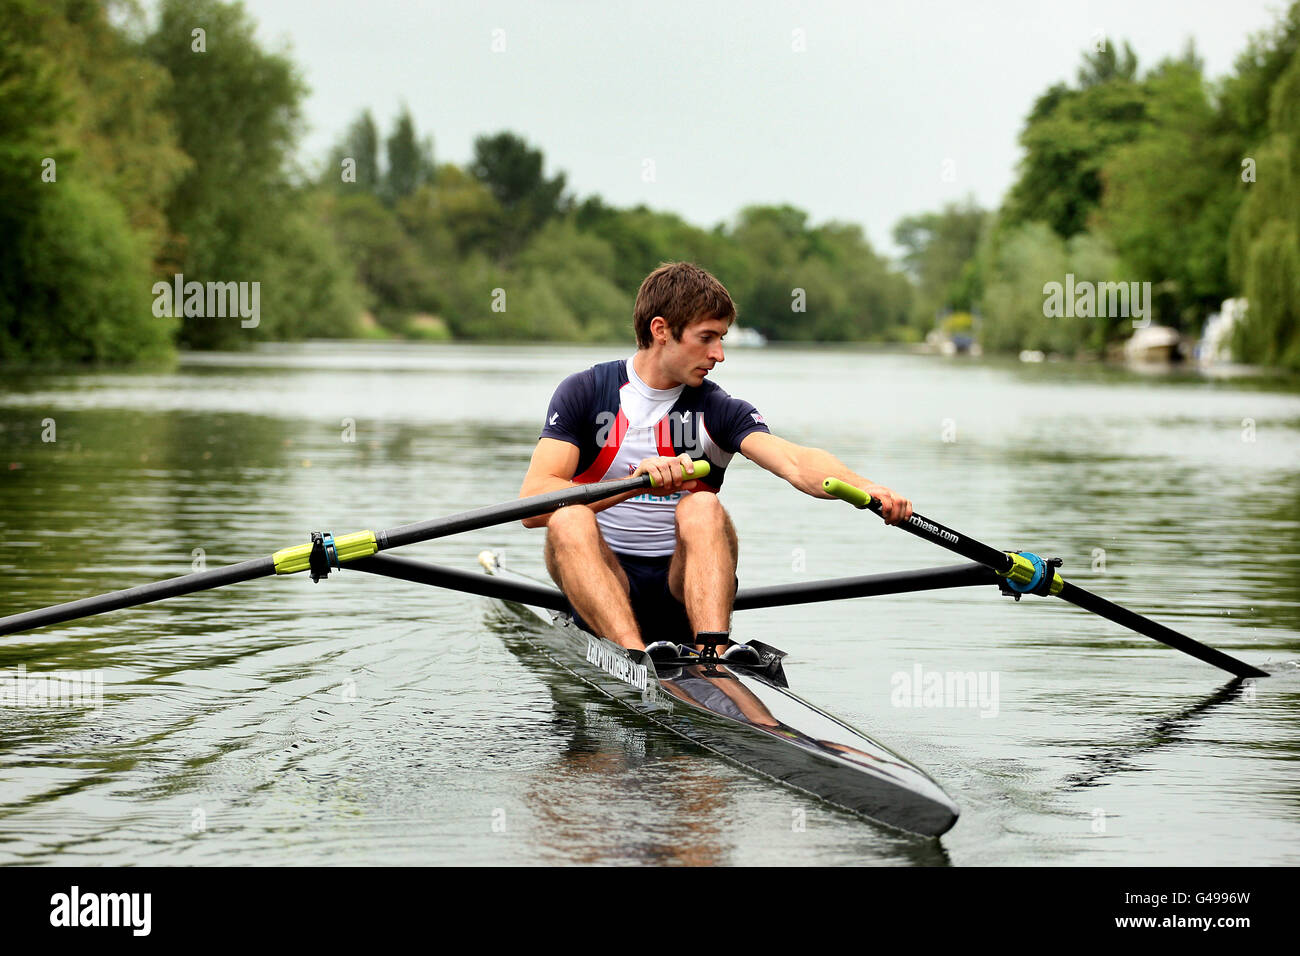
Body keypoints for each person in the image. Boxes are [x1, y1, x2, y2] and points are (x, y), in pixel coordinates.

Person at [518, 261, 912, 661]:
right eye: (706, 338)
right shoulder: (585, 392)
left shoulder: (718, 408)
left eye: (721, 339)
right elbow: (533, 504)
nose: (718, 355)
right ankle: (633, 656)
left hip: (683, 584)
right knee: (568, 517)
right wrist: (633, 484)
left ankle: (712, 655)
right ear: (661, 330)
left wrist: (864, 487)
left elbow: (794, 460)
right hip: (602, 578)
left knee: (703, 505)